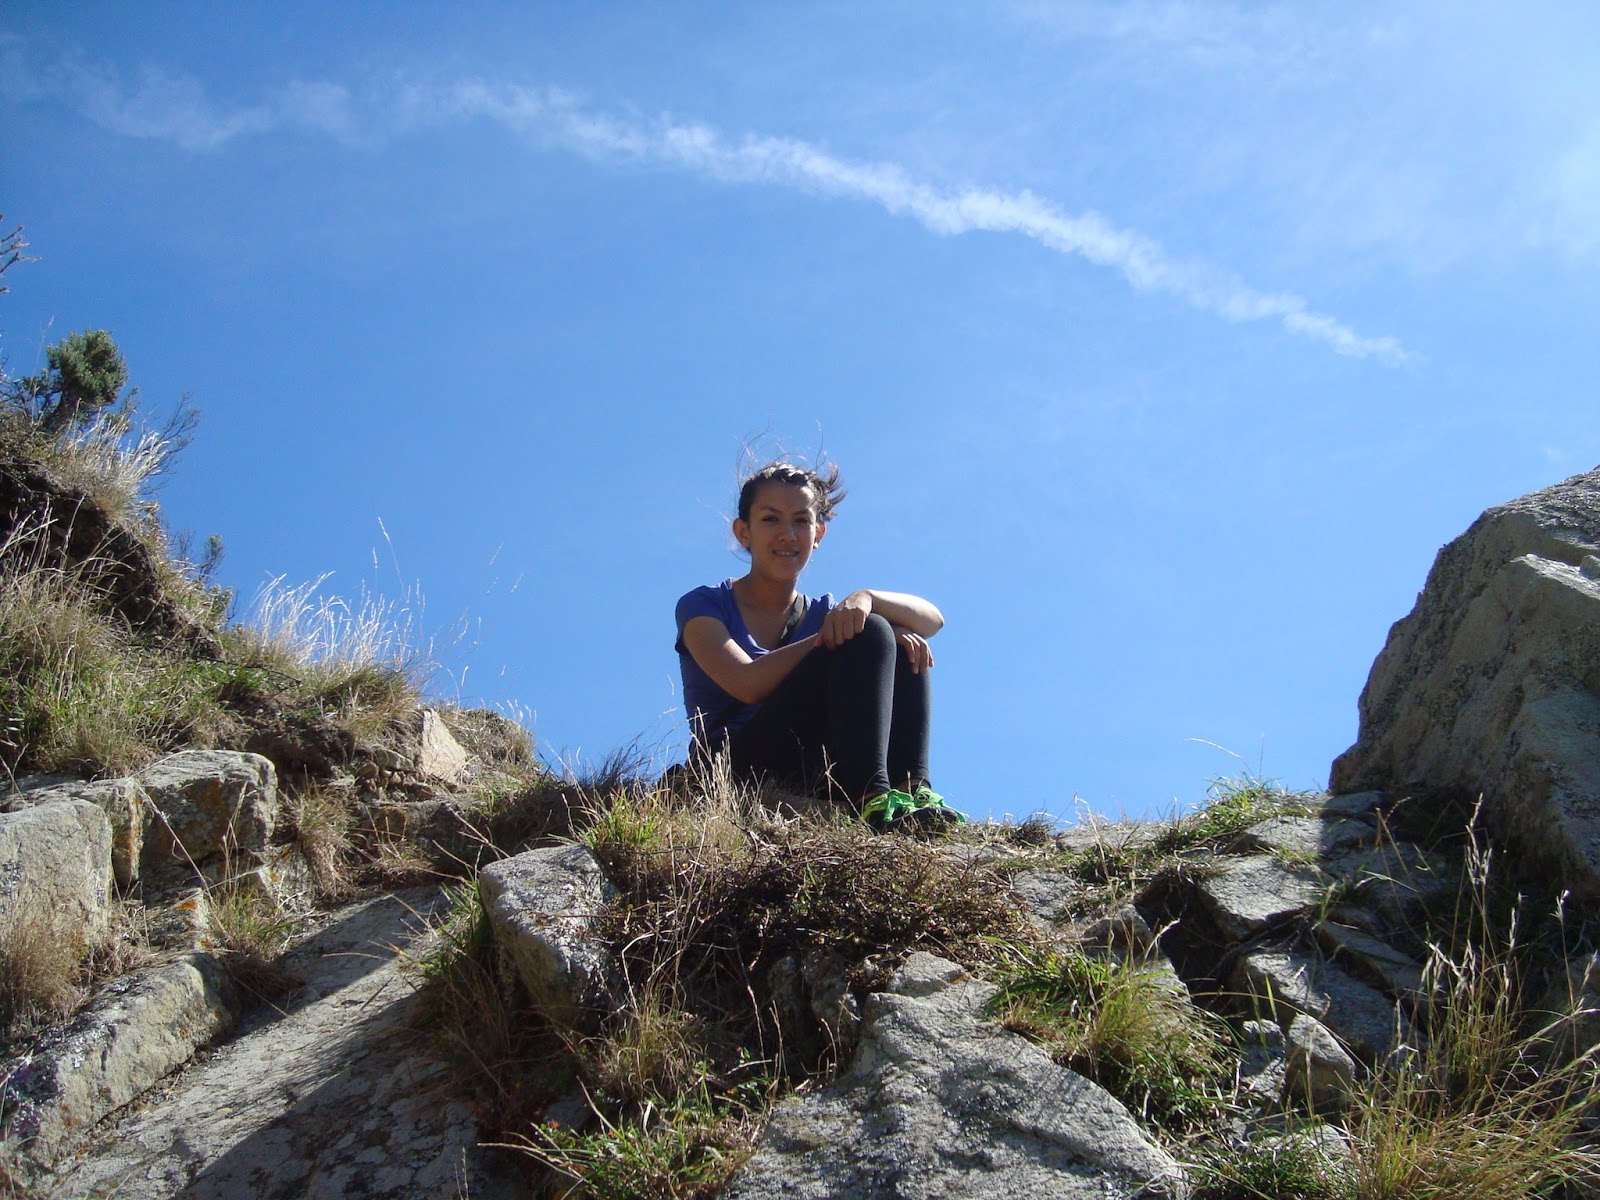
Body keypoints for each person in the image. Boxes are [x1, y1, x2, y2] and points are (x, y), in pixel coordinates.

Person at [674, 459, 963, 831]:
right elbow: (745, 683)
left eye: (801, 520)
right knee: (872, 632)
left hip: (814, 758)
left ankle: (913, 790)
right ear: (743, 532)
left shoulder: (826, 612)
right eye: (770, 519)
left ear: (818, 533)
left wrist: (867, 598)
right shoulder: (703, 606)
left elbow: (933, 620)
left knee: (898, 638)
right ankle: (871, 800)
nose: (788, 534)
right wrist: (843, 633)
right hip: (734, 763)